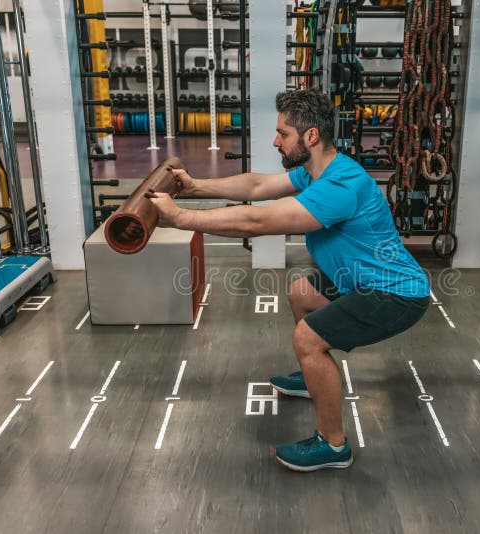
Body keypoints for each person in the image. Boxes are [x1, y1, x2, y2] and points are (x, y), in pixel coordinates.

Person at [147, 89, 430, 471]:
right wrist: (196, 186)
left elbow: (258, 221)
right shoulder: (317, 171)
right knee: (301, 293)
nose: (275, 141)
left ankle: (334, 446)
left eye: (283, 133)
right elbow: (256, 187)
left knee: (308, 339)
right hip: (358, 278)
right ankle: (312, 376)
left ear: (310, 136)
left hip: (395, 292)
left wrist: (181, 218)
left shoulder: (341, 186)